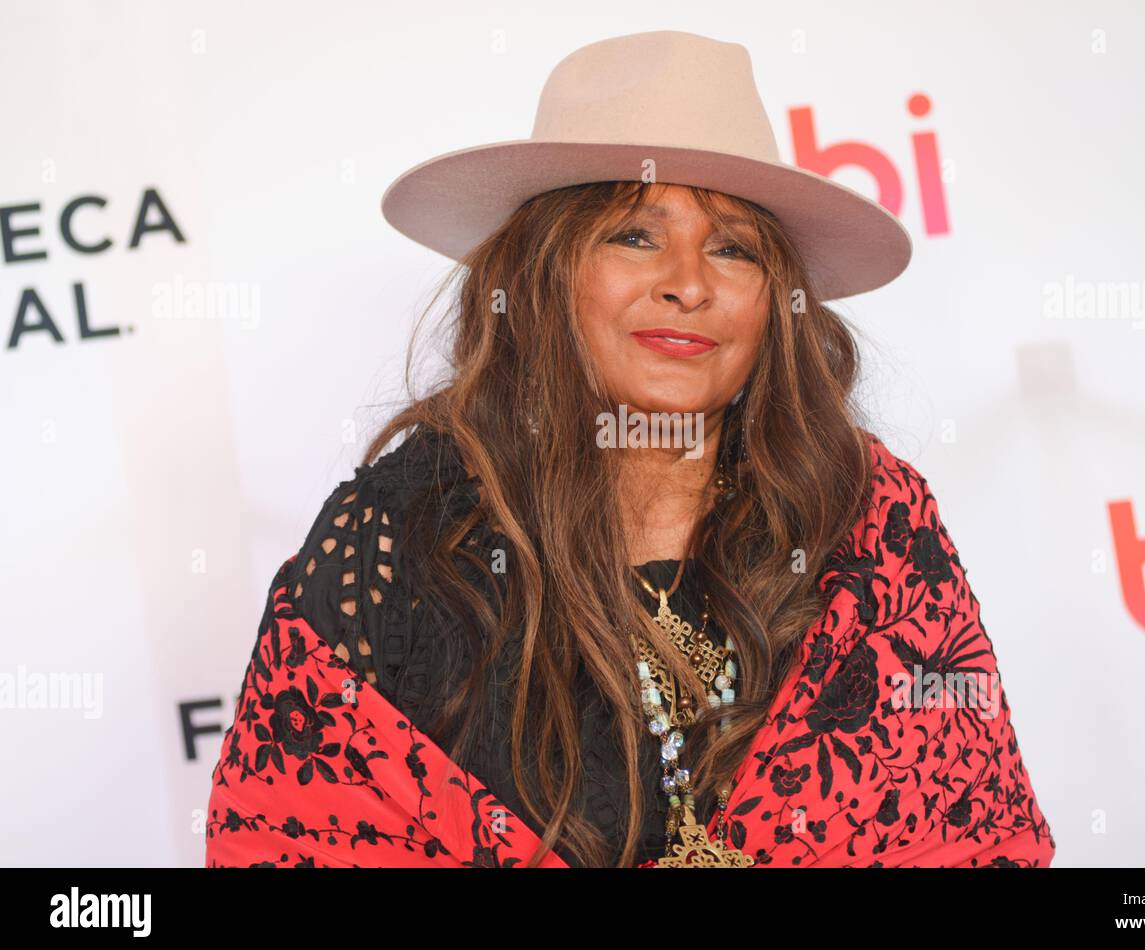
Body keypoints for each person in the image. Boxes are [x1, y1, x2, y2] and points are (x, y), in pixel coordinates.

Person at [204, 30, 1055, 868]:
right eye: (635, 236)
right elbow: (288, 836)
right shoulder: (400, 531)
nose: (688, 282)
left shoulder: (867, 518)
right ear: (542, 272)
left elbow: (970, 840)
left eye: (733, 247)